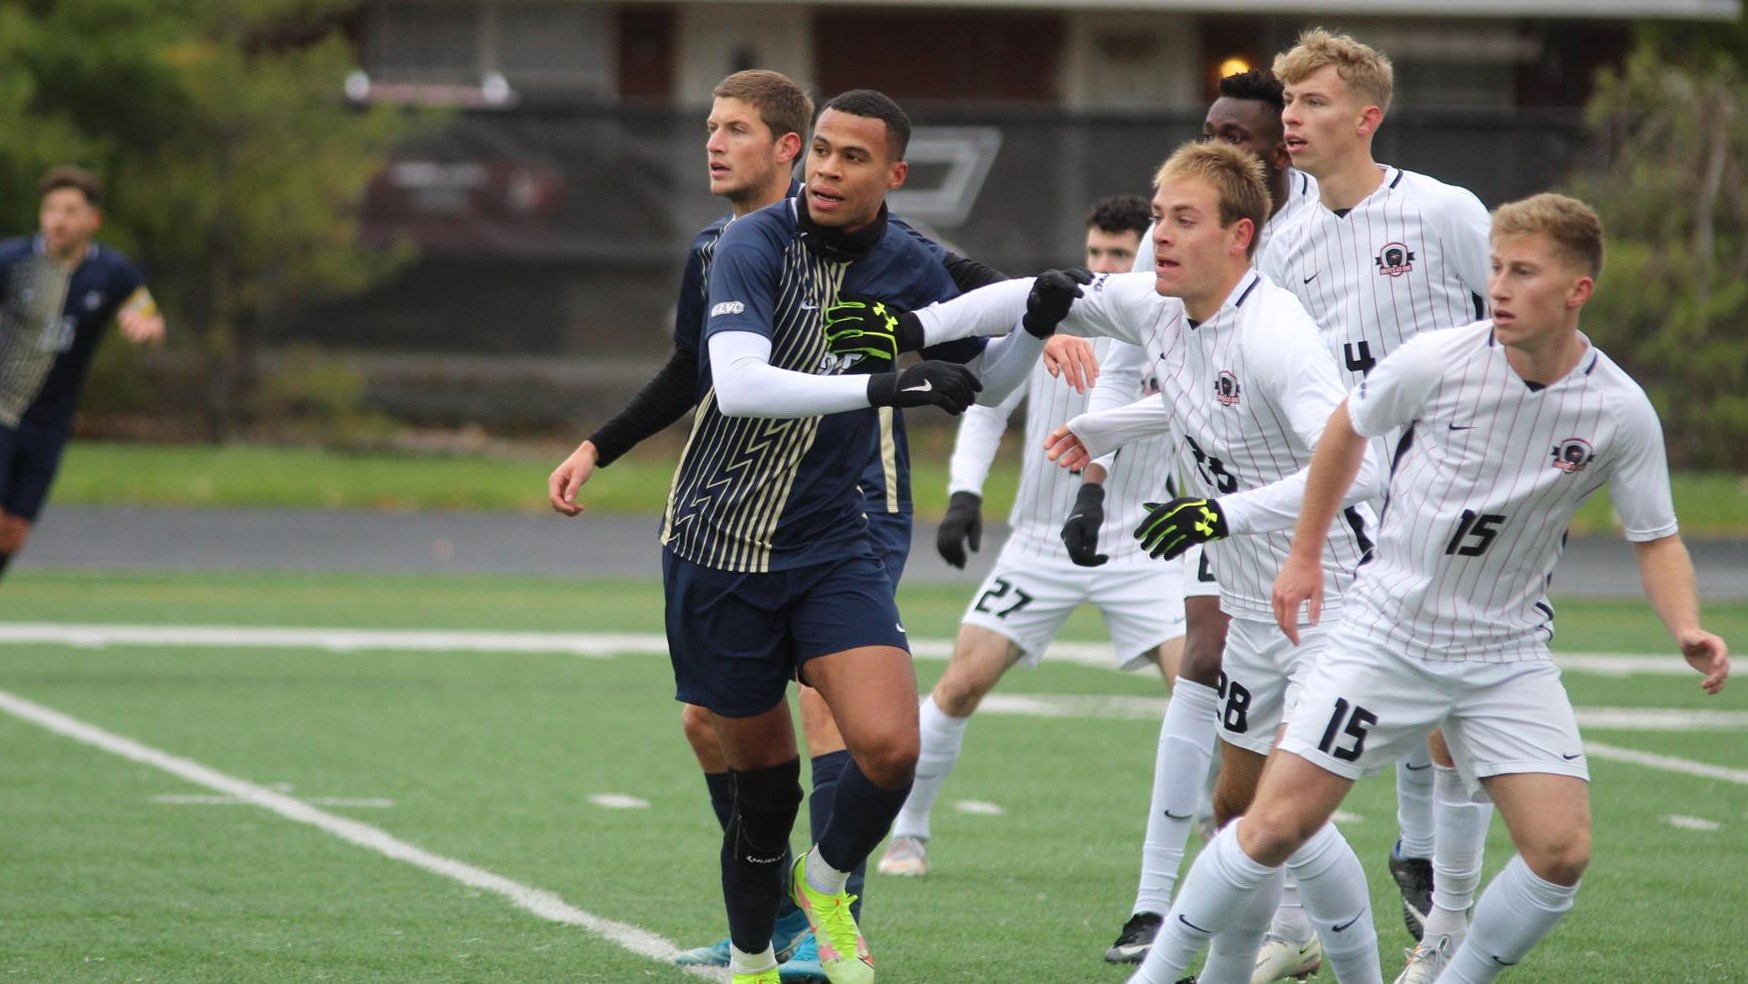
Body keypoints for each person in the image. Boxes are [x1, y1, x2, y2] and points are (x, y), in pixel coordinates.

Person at [545, 71, 1032, 982]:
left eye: (734, 128)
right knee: (719, 736)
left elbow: (983, 310)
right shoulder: (728, 248)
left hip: (849, 512)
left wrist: (1048, 319)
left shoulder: (903, 250)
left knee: (859, 724)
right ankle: (761, 935)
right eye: (710, 126)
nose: (714, 143)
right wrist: (598, 445)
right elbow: (705, 372)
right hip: (721, 534)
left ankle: (829, 912)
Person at [888, 139, 1389, 984]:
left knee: (1277, 816)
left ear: (1239, 237)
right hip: (1247, 593)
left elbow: (1363, 469)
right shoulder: (1157, 302)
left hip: (1331, 599)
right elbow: (1034, 293)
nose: (1160, 235)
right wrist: (916, 328)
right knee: (1236, 808)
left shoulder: (1277, 334)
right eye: (1158, 216)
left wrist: (1219, 510)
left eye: (1182, 220)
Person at [1219, 192, 1732, 984]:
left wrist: (1687, 626)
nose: (1498, 285)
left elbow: (1656, 536)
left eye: (1522, 271)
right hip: (1389, 631)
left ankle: (1448, 967)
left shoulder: (1619, 409)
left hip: (1505, 649)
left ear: (1576, 292)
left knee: (1562, 852)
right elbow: (1345, 431)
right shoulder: (1437, 359)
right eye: (1495, 267)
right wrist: (1305, 553)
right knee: (1272, 824)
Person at [1257, 29, 1499, 969]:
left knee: (1450, 712)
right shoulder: (1284, 238)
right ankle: (1292, 922)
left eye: (1313, 102)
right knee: (1299, 700)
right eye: (1288, 103)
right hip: (1343, 504)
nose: (1293, 118)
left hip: (1452, 499)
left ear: (1367, 116)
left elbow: (1530, 326)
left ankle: (1441, 913)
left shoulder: (1443, 212)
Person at [874, 194, 1188, 882]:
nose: (1102, 268)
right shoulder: (1050, 314)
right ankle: (909, 834)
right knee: (959, 686)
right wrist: (964, 494)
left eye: (1117, 256)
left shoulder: (1178, 327)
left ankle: (1236, 856)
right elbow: (988, 407)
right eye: (1096, 253)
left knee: (1202, 692)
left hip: (1140, 547)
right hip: (1041, 544)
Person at [1097, 69, 1325, 975]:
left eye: (1242, 130)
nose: (1223, 140)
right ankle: (1158, 903)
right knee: (1217, 703)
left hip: (1321, 537)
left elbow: (1334, 428)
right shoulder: (1180, 237)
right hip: (1223, 512)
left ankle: (1427, 888)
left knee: (1292, 793)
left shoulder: (1304, 244)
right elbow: (1170, 372)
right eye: (1210, 126)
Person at [0, 166, 165, 583]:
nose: (58, 219)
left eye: (71, 210)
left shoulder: (112, 272)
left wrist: (146, 329)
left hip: (51, 421)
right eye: (51, 208)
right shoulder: (11, 261)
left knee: (11, 534)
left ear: (93, 219)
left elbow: (148, 317)